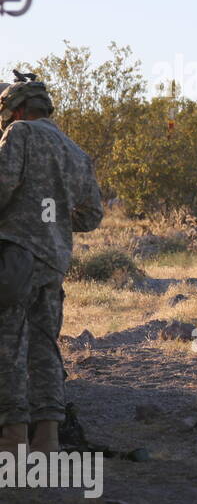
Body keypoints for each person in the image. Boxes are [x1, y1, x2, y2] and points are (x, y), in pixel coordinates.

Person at [0, 74, 103, 454]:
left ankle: (11, 442)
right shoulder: (77, 152)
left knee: (8, 344)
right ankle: (47, 440)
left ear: (18, 110)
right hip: (55, 261)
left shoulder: (19, 134)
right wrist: (56, 219)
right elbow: (92, 215)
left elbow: (2, 185)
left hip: (17, 256)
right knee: (45, 348)